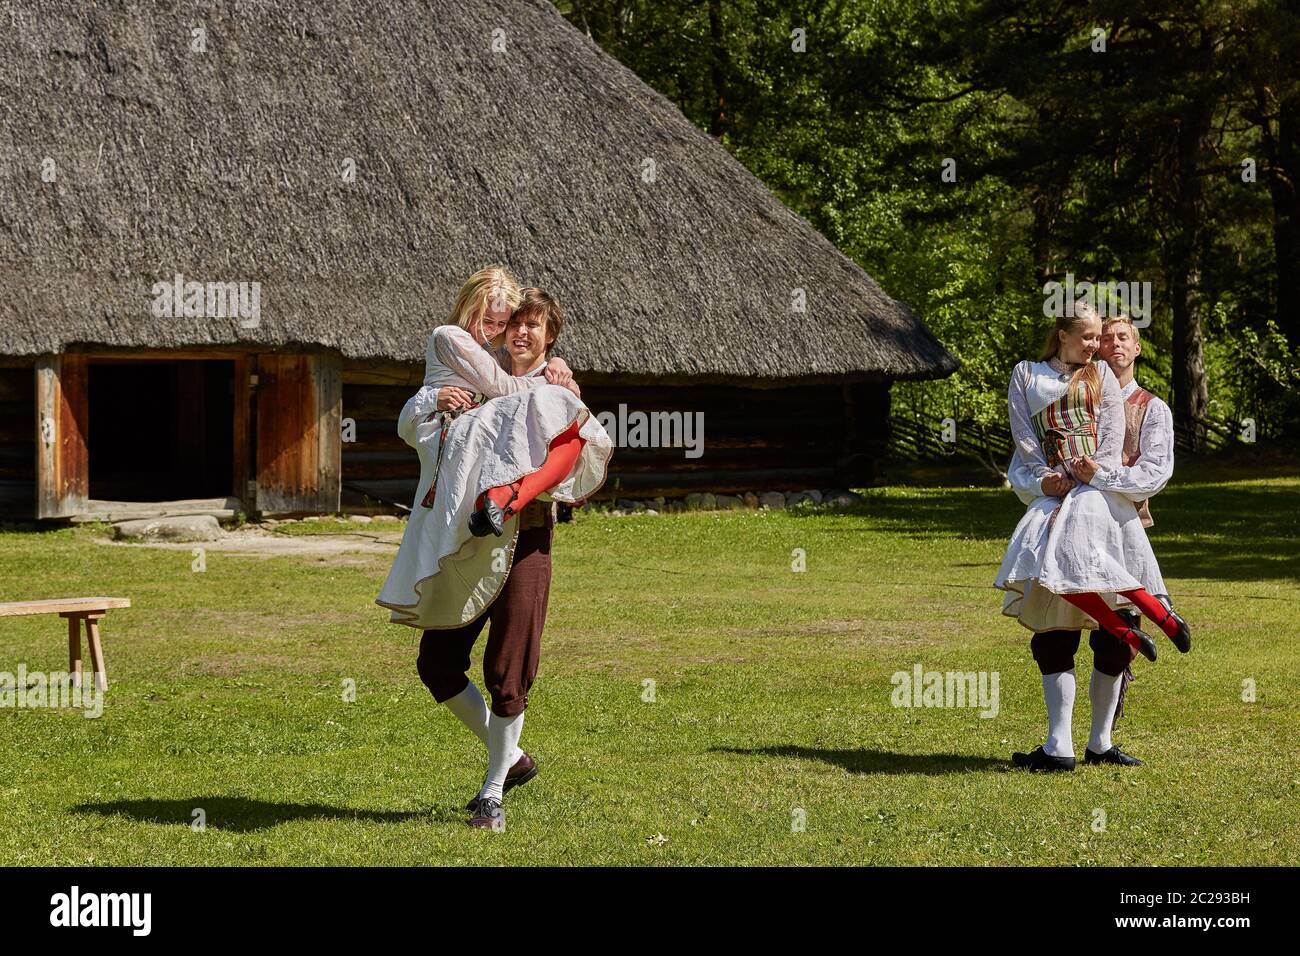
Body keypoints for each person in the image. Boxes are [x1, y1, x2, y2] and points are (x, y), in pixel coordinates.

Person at [377, 277, 612, 830]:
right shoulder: (475, 377)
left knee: (508, 668)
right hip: (467, 538)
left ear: (551, 339)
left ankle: (492, 793)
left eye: (534, 326)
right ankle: (512, 759)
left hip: (526, 533)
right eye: (514, 324)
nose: (520, 332)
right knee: (437, 663)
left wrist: (513, 496)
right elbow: (412, 424)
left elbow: (572, 446)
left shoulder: (559, 390)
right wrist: (434, 399)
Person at [995, 303, 1190, 772]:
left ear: (1137, 348)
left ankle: (1100, 742)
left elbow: (1150, 476)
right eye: (1102, 337)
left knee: (1113, 641)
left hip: (1119, 526)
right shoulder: (1041, 377)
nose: (1107, 344)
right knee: (1055, 632)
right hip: (1057, 512)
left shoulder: (1148, 407)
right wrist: (1046, 481)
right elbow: (1024, 457)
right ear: (1068, 335)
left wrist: (1096, 477)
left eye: (1118, 336)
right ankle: (1058, 744)